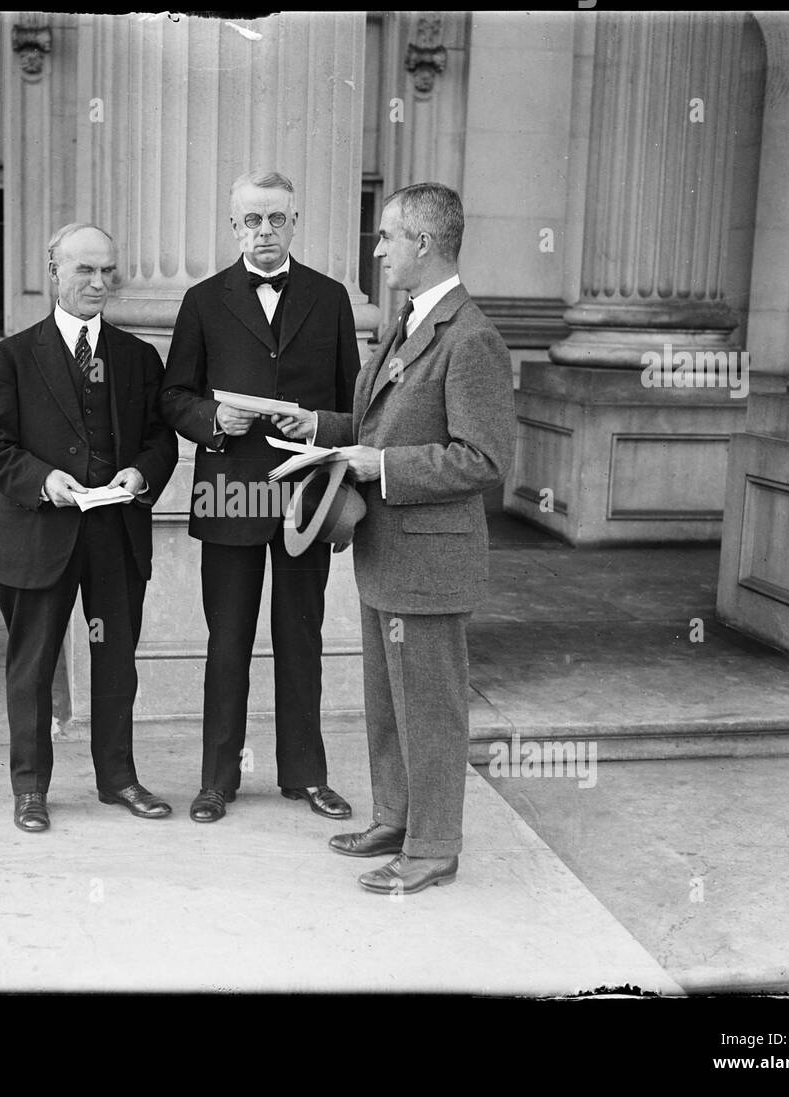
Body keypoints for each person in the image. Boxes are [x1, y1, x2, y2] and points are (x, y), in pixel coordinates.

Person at [274, 183, 516, 893]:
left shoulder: (471, 338)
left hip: (431, 561)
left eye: (386, 236)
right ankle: (396, 818)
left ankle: (433, 848)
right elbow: (377, 424)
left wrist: (378, 465)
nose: (377, 249)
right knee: (388, 701)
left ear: (424, 242)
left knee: (430, 710)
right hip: (389, 552)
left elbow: (484, 460)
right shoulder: (409, 321)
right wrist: (320, 428)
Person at [160, 170, 361, 824]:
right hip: (230, 494)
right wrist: (215, 419)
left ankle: (306, 776)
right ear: (234, 227)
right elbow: (174, 396)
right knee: (228, 641)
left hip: (307, 492)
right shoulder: (202, 300)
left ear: (295, 222)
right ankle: (217, 780)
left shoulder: (330, 298)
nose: (265, 231)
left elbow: (356, 403)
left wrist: (321, 427)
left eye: (276, 218)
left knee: (302, 635)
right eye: (252, 220)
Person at [0, 223, 178, 833]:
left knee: (116, 663)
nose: (98, 282)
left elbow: (160, 439)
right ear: (54, 272)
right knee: (32, 667)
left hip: (115, 535)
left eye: (107, 270)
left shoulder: (138, 358)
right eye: (84, 270)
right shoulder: (10, 358)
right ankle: (30, 788)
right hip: (40, 535)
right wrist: (44, 480)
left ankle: (118, 779)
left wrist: (141, 474)